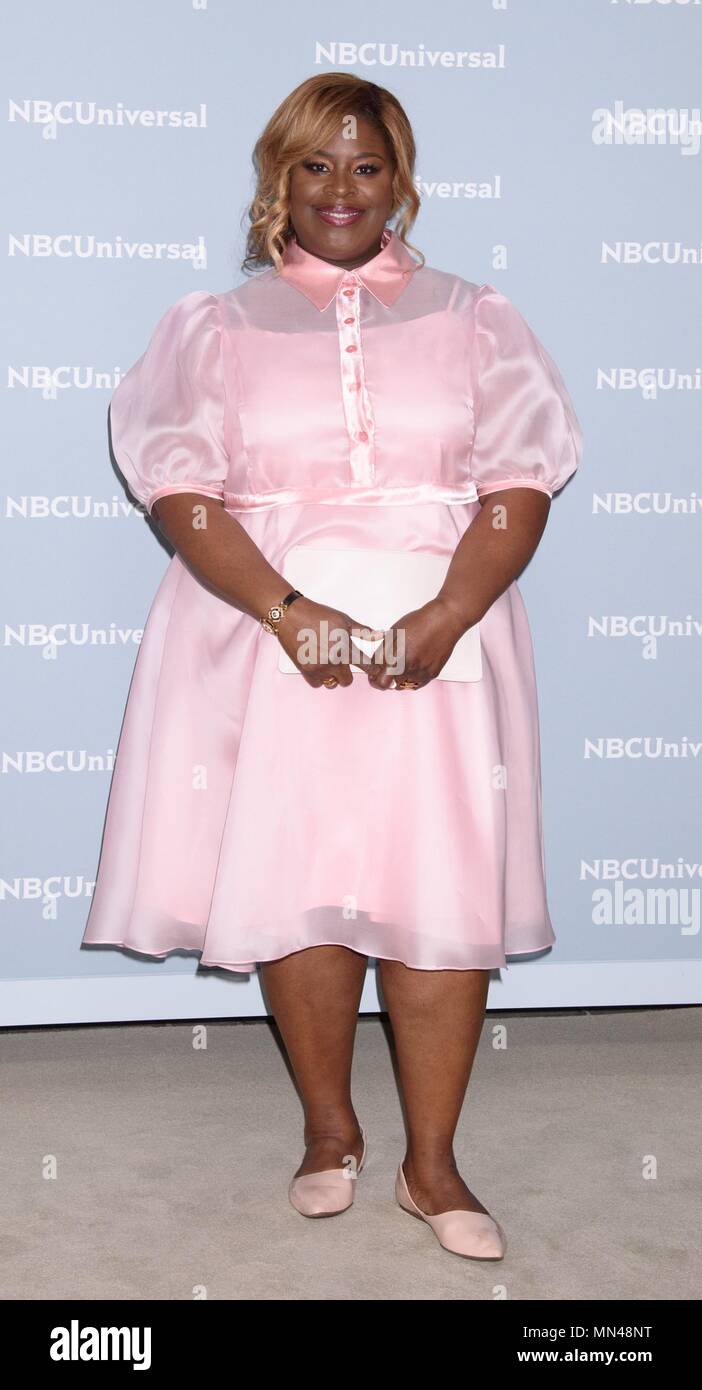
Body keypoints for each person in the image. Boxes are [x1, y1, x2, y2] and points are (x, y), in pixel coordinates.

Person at [82, 72, 582, 1261]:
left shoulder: (478, 316)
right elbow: (185, 497)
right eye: (314, 166)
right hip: (271, 640)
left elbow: (518, 482)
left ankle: (434, 1162)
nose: (340, 190)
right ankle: (326, 1130)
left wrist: (455, 607)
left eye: (365, 166)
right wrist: (288, 607)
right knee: (299, 881)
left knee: (439, 898)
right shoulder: (216, 326)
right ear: (278, 181)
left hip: (440, 646)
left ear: (400, 180)